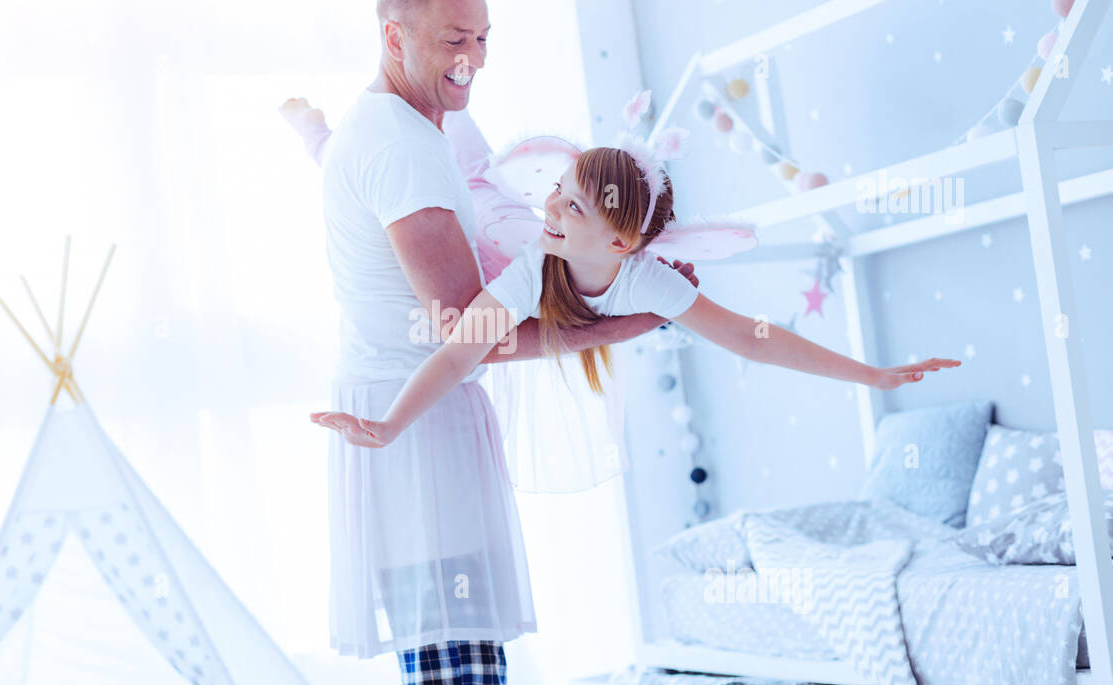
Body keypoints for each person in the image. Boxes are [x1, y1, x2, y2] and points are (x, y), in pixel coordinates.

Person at [308, 0, 697, 685]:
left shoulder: (403, 129)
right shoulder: (405, 148)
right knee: (460, 680)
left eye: (483, 37)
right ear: (394, 37)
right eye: (454, 39)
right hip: (417, 424)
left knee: (452, 677)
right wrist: (635, 321)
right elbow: (467, 330)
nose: (474, 60)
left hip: (410, 417)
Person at [311, 141, 962, 450]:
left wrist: (870, 375)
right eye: (558, 188)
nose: (553, 203)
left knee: (477, 176)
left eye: (572, 204)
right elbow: (459, 355)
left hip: (515, 237)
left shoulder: (644, 279)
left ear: (621, 246)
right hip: (487, 229)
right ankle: (325, 143)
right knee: (470, 171)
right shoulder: (534, 259)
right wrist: (393, 421)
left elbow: (750, 337)